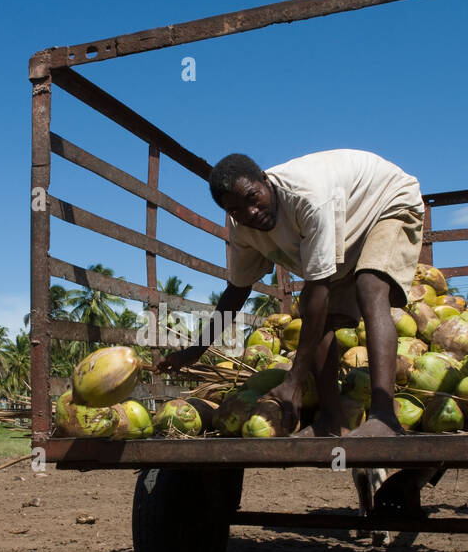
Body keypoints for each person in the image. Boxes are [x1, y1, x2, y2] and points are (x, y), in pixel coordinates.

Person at [157, 149, 424, 437]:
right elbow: (237, 290)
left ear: (265, 180)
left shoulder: (306, 197)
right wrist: (196, 350)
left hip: (387, 202)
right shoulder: (243, 228)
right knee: (318, 314)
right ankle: (330, 421)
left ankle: (384, 418)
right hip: (347, 223)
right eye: (236, 210)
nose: (251, 213)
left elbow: (320, 288)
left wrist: (294, 380)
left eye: (253, 198)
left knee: (369, 286)